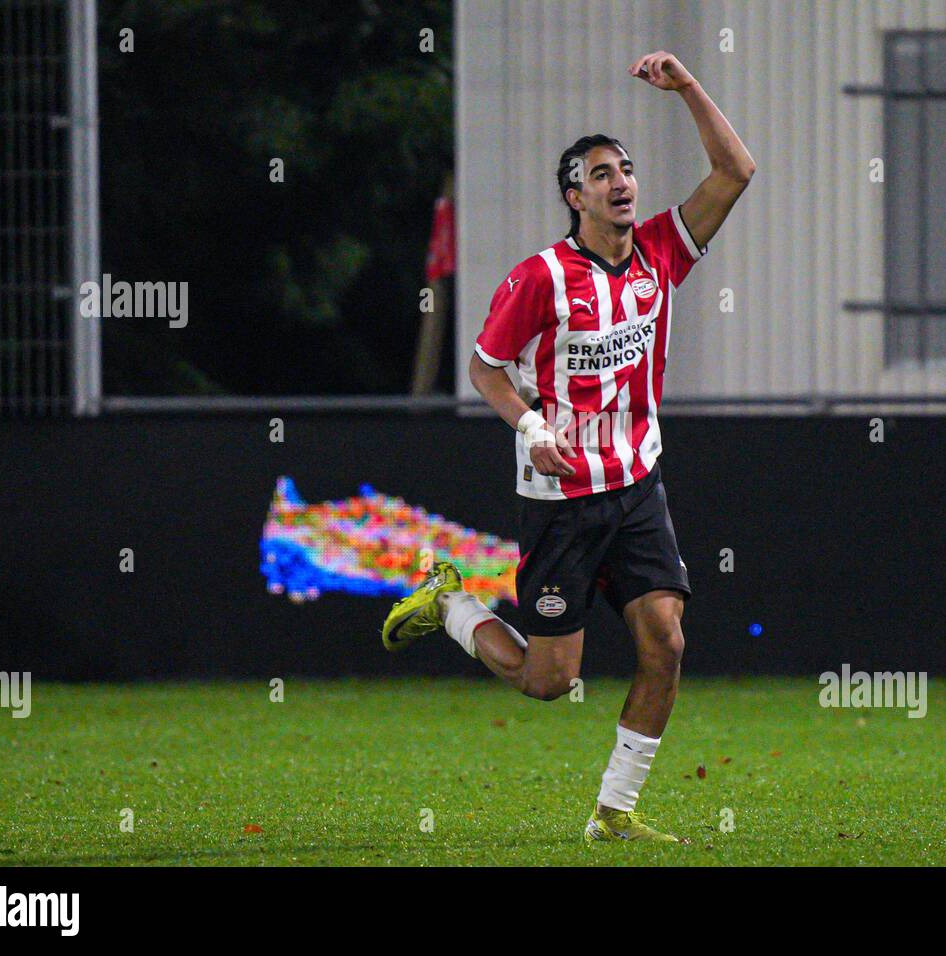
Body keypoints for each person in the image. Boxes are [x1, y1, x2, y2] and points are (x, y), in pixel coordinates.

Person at [382, 51, 754, 844]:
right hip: (562, 498)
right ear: (572, 195)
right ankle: (449, 601)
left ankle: (614, 814)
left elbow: (736, 170)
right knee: (551, 682)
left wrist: (687, 86)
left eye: (626, 168)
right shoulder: (541, 278)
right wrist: (534, 427)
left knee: (667, 642)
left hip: (637, 484)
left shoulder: (661, 252)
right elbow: (484, 367)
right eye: (600, 172)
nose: (621, 181)